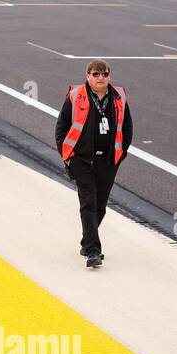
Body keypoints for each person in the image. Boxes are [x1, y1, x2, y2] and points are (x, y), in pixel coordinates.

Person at [54, 59, 133, 268]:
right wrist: (67, 156)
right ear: (88, 75)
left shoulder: (119, 97)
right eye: (96, 74)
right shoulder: (75, 95)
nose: (101, 78)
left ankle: (86, 240)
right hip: (81, 159)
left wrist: (120, 155)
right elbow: (61, 126)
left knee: (100, 205)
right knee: (88, 202)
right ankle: (93, 251)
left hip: (108, 160)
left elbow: (127, 128)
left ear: (109, 76)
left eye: (104, 74)